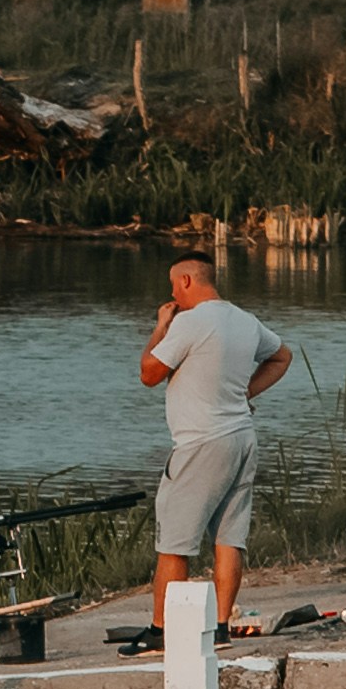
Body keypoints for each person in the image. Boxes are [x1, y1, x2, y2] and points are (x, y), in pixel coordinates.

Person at [138, 256, 291, 658]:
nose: (172, 294)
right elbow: (282, 357)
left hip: (200, 444)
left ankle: (161, 631)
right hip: (242, 438)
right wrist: (245, 394)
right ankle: (221, 627)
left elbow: (149, 373)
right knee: (228, 538)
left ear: (186, 281)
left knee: (174, 543)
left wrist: (160, 327)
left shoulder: (189, 322)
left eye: (174, 286)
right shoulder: (244, 320)